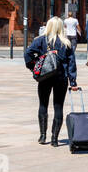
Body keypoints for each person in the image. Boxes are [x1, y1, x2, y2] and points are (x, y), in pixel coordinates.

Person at [24, 16, 79, 146]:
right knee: (58, 107)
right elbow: (72, 63)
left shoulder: (41, 40)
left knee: (43, 105)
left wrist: (34, 68)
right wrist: (73, 81)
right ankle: (55, 139)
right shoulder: (66, 42)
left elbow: (28, 54)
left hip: (45, 77)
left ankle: (43, 136)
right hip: (61, 78)